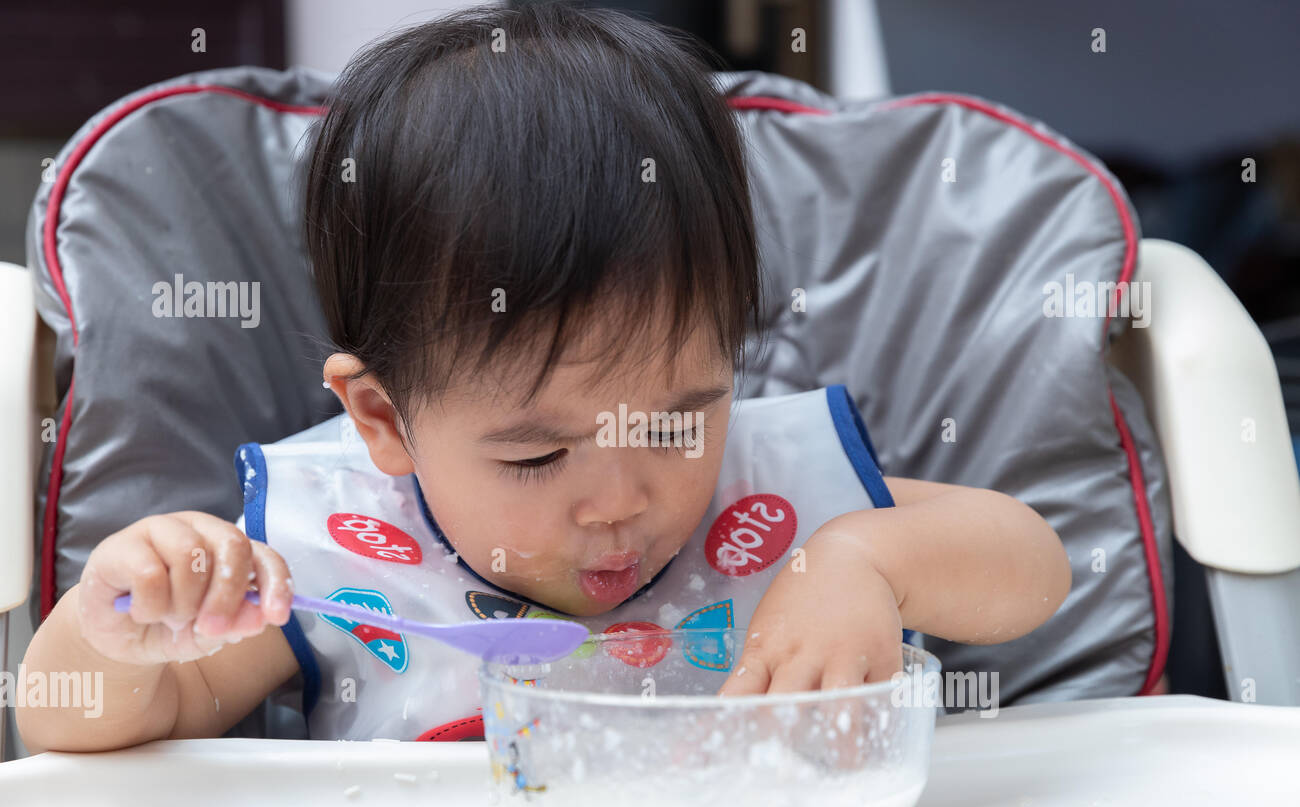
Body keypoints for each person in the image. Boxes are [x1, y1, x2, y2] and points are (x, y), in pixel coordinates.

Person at [19, 3, 1070, 752]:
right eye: (536, 450)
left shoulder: (779, 498)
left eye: (673, 422)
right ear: (383, 418)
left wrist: (864, 559)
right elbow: (81, 724)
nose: (620, 499)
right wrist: (122, 630)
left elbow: (1033, 566)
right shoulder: (334, 555)